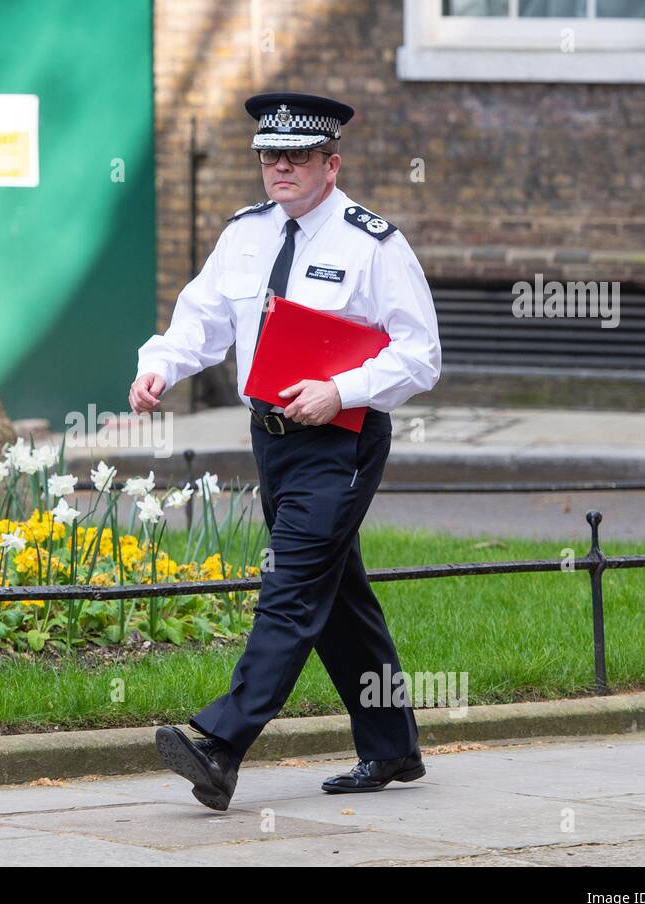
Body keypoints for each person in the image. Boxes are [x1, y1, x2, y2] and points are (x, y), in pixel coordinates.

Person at [129, 91, 443, 811]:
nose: (281, 168)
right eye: (270, 156)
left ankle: (221, 748)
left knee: (294, 587)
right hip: (270, 439)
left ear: (331, 165)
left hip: (341, 439)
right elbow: (204, 317)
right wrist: (161, 366)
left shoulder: (373, 245)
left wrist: (343, 389)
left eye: (297, 157)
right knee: (338, 599)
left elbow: (420, 355)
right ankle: (392, 748)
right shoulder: (246, 234)